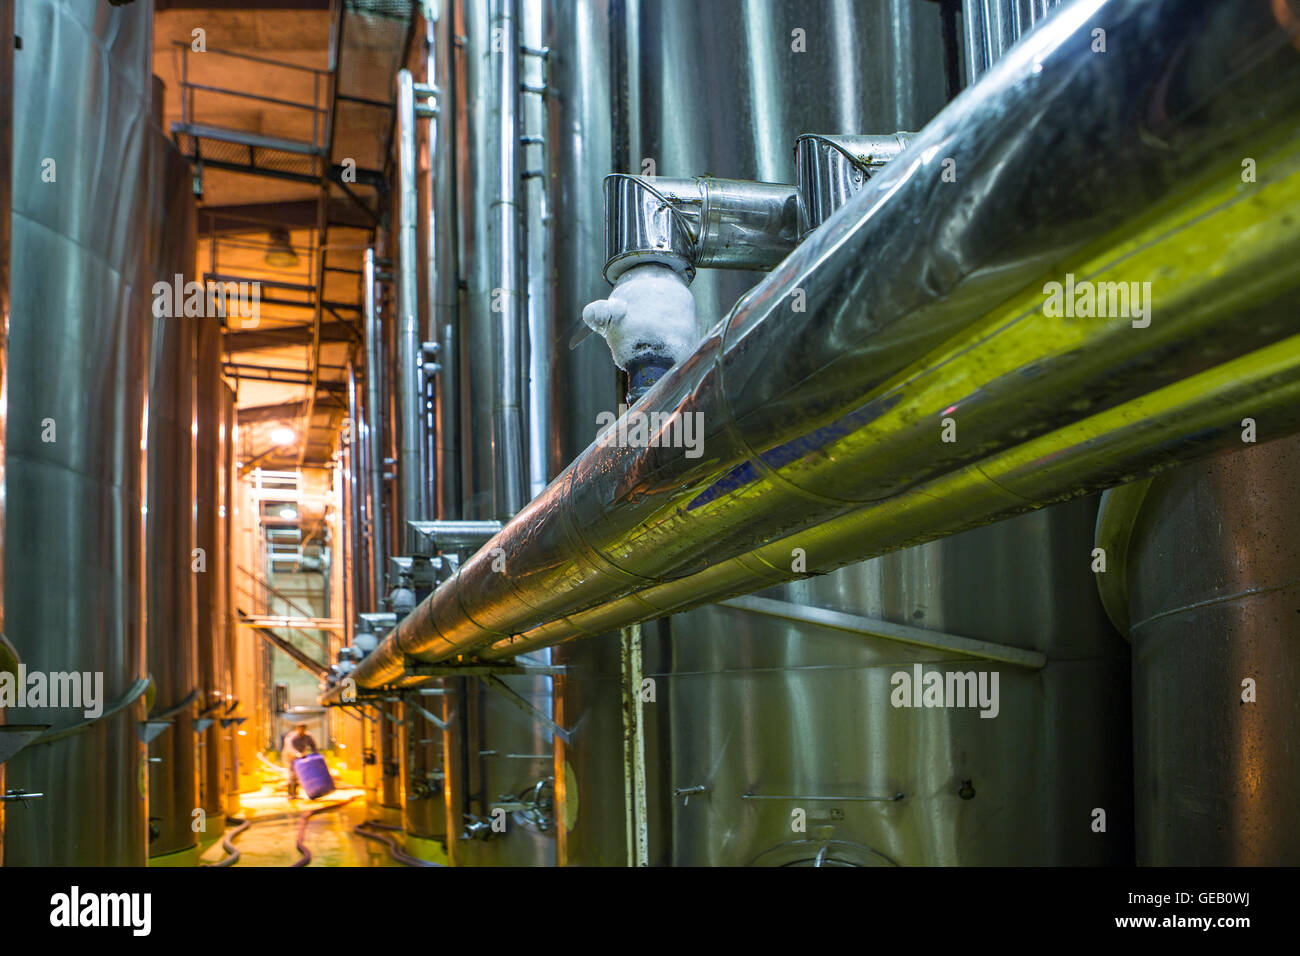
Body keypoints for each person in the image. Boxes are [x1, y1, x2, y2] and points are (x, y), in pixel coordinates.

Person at [281, 722, 318, 799]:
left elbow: (313, 745)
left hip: (300, 758)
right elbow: (290, 748)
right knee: (292, 775)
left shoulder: (308, 736)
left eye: (303, 729)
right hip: (290, 757)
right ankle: (290, 794)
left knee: (298, 774)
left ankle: (295, 793)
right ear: (297, 729)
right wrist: (297, 754)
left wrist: (315, 753)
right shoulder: (292, 737)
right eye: (300, 728)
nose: (302, 730)